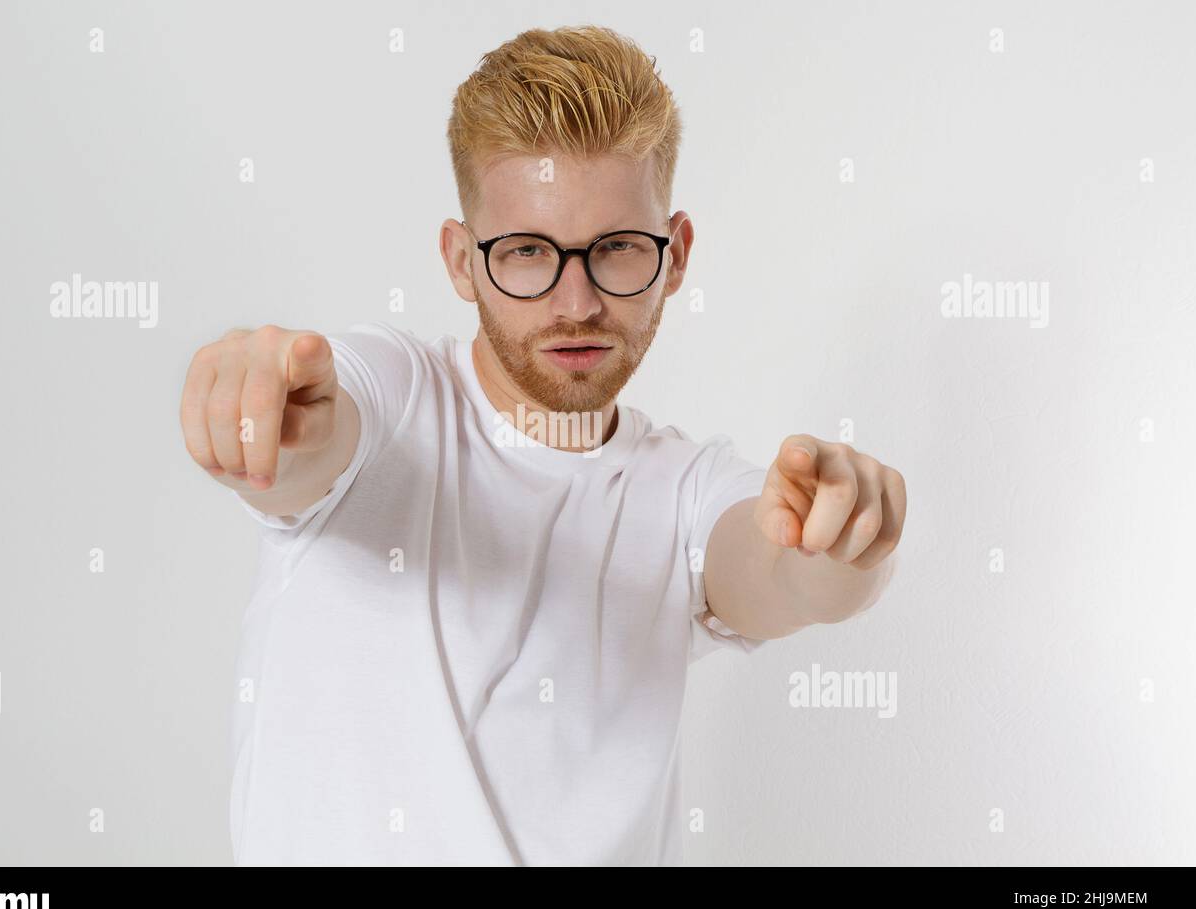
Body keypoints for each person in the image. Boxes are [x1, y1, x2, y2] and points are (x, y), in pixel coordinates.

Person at [178, 25, 906, 865]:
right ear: (460, 261)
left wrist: (849, 543)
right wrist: (263, 408)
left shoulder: (683, 490)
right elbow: (318, 436)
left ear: (675, 257)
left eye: (617, 250)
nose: (576, 303)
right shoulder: (394, 399)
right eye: (526, 252)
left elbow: (780, 570)